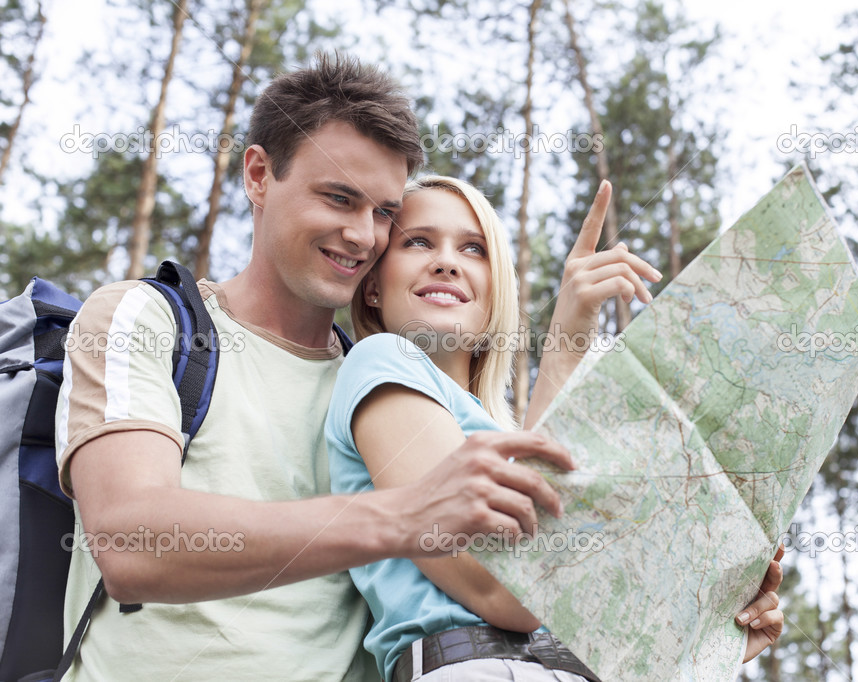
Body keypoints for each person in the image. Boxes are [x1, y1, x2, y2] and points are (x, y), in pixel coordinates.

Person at [55, 54, 576, 682]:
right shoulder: (147, 318)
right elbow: (132, 543)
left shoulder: (382, 383)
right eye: (338, 198)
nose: (362, 235)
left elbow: (509, 575)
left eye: (383, 213)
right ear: (258, 175)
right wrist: (405, 516)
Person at [326, 176, 784, 682]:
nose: (447, 262)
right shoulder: (379, 360)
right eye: (418, 242)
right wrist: (566, 344)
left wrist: (711, 632)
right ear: (372, 287)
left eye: (474, 248)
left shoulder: (504, 437)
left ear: (495, 292)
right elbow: (504, 589)